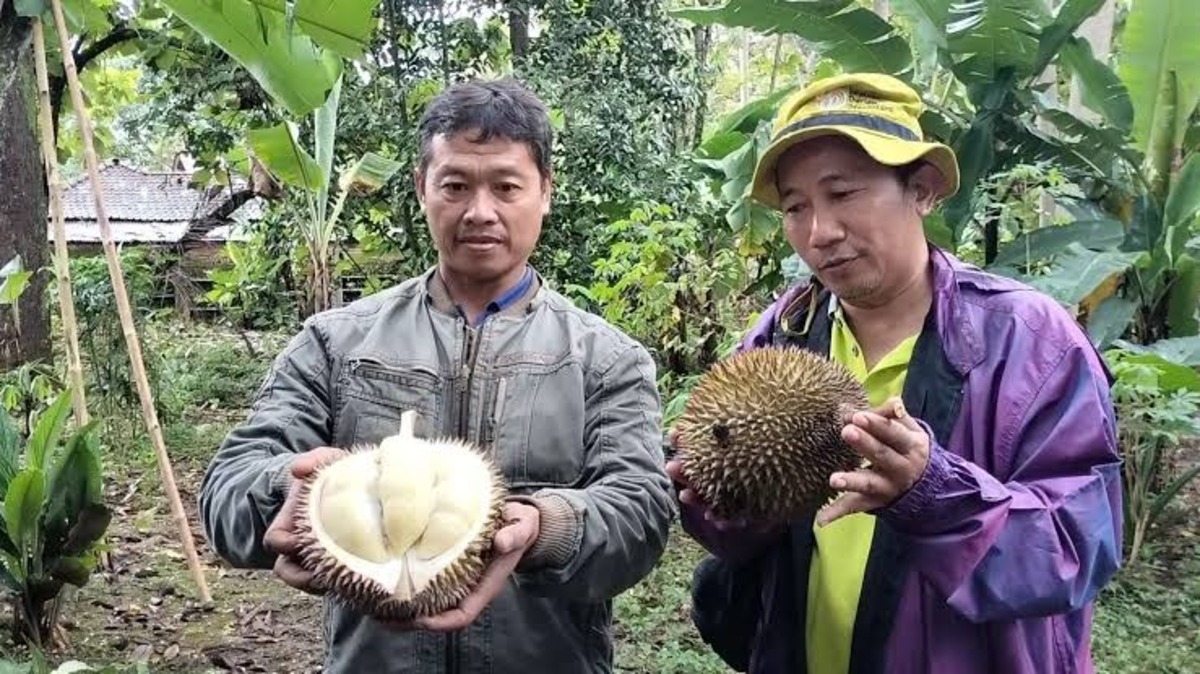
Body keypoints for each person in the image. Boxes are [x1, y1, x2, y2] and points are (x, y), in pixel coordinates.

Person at [198, 77, 676, 673]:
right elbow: (226, 490)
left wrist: (544, 527)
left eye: (506, 186)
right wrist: (291, 495)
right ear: (423, 188)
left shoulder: (607, 358)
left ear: (545, 192)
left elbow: (641, 513)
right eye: (455, 185)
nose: (481, 211)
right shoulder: (336, 341)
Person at [667, 72, 1123, 674]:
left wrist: (932, 494)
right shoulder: (784, 331)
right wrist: (710, 498)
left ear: (924, 189)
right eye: (796, 207)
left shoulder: (1028, 341)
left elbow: (1078, 546)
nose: (819, 233)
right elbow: (748, 528)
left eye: (844, 194)